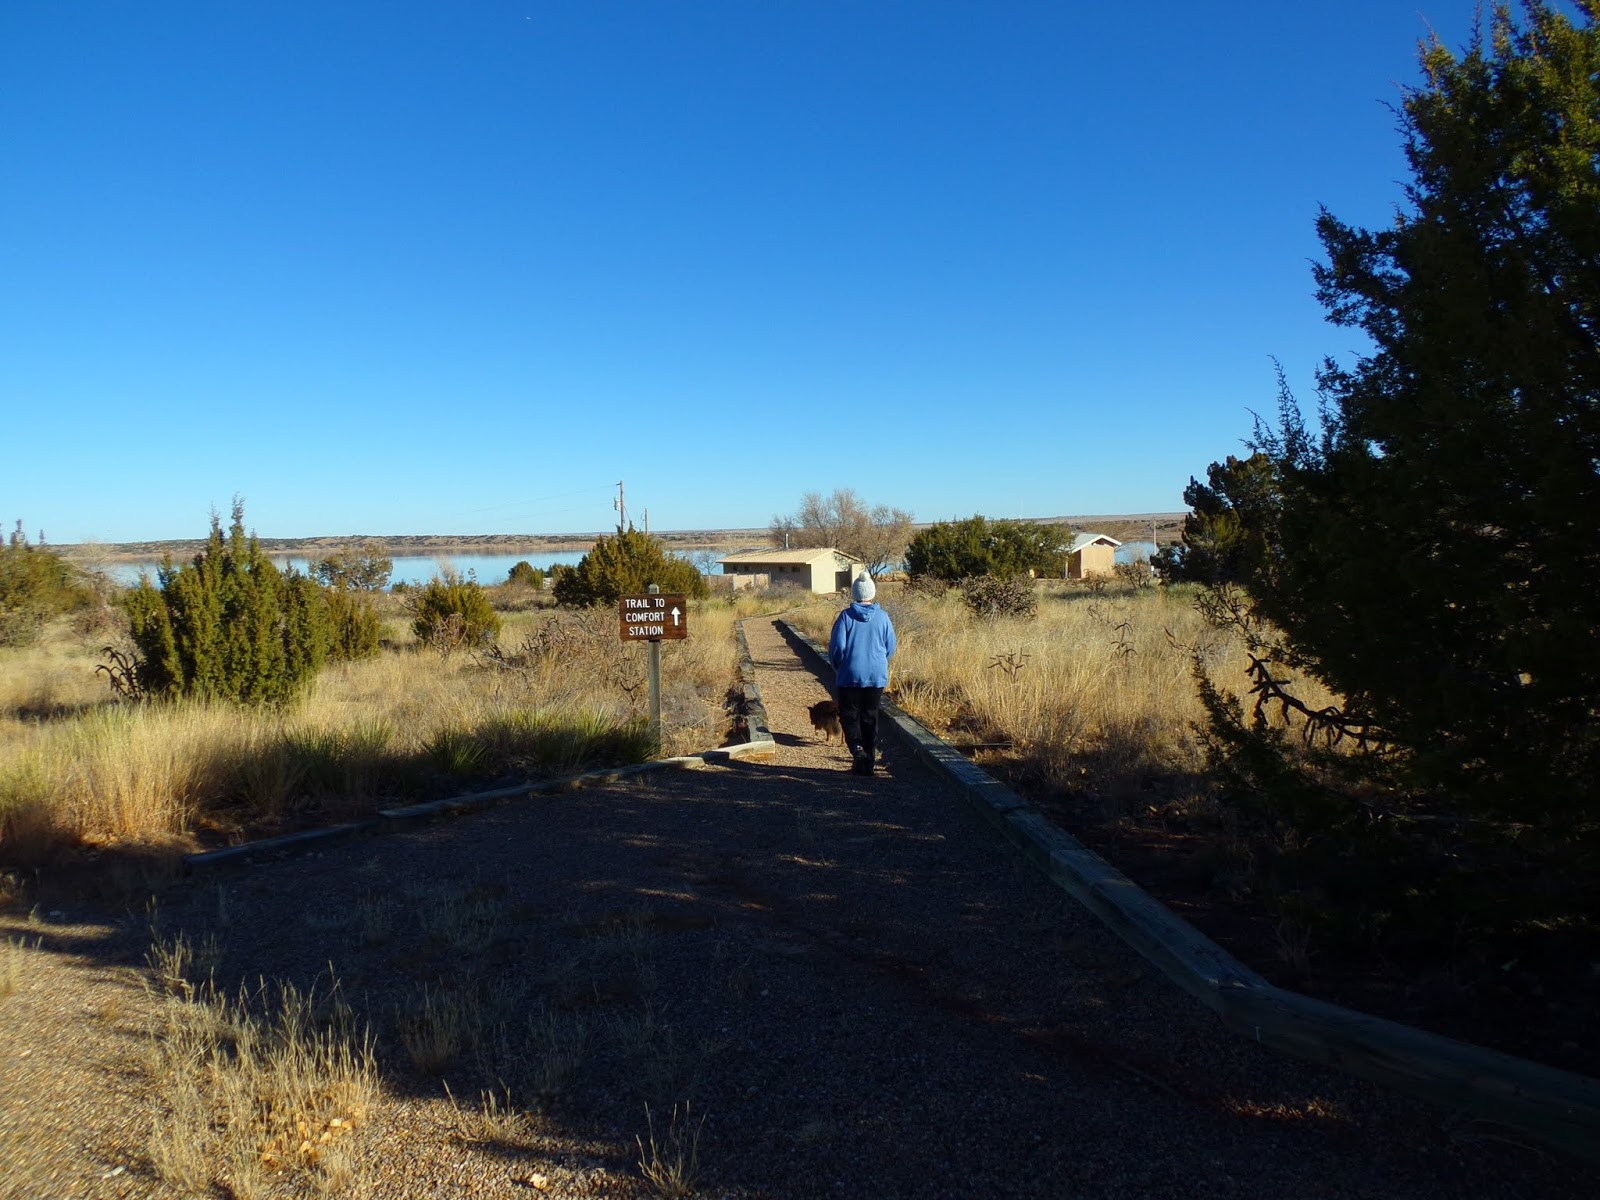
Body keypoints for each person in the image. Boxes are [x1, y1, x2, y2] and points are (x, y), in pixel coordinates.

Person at [828, 573, 896, 776]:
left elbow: (837, 647)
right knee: (870, 717)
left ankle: (857, 750)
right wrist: (880, 662)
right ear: (872, 592)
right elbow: (890, 647)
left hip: (849, 675)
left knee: (849, 716)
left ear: (854, 593)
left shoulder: (845, 617)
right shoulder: (883, 617)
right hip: (876, 676)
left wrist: (838, 666)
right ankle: (869, 761)